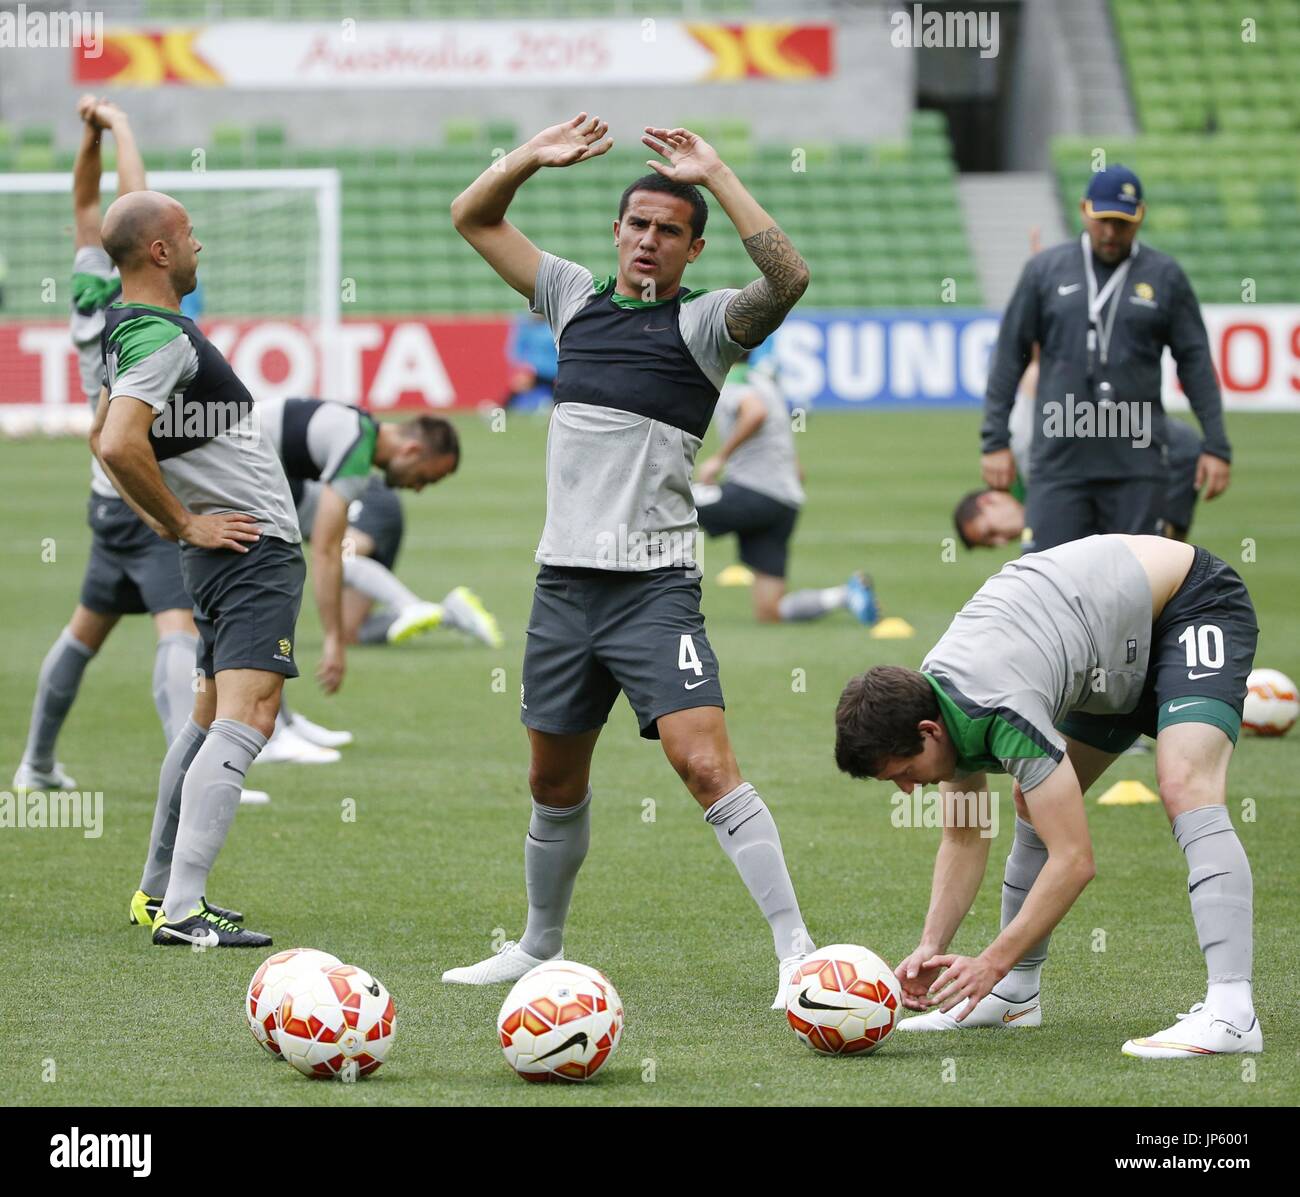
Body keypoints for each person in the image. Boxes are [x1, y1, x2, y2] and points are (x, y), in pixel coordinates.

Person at [443, 114, 816, 1005]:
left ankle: (797, 950)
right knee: (551, 778)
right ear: (617, 232)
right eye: (638, 225)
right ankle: (538, 944)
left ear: (693, 249)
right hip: (564, 587)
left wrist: (717, 170)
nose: (650, 241)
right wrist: (531, 156)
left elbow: (789, 276)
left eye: (669, 231)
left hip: (654, 591)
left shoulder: (705, 327)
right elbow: (474, 217)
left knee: (703, 763)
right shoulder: (571, 298)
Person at [834, 534, 1261, 1058]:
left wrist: (991, 959)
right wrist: (932, 946)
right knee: (1028, 799)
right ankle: (1015, 996)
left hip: (1187, 602)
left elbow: (1075, 860)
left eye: (904, 772)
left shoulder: (996, 706)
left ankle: (1232, 1012)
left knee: (1183, 783)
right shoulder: (937, 702)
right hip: (1105, 655)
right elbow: (965, 837)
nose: (906, 788)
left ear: (929, 731)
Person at [12, 96, 268, 836]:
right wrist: (119, 126)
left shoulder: (90, 291)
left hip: (104, 495)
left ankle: (35, 762)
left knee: (85, 629)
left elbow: (89, 199)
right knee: (177, 629)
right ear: (152, 251)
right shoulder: (140, 307)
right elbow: (129, 204)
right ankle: (190, 768)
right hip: (140, 489)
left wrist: (88, 134)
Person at [94, 189, 304, 948]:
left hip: (226, 555)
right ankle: (184, 908)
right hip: (249, 552)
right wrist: (181, 520)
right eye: (187, 236)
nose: (197, 248)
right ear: (158, 251)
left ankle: (159, 893)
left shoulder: (125, 332)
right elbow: (118, 443)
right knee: (249, 718)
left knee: (210, 715)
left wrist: (167, 520)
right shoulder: (163, 338)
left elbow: (101, 435)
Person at [980, 166, 1231, 551]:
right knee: (1048, 588)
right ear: (1083, 210)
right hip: (1059, 464)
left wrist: (1215, 444)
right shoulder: (1045, 271)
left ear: (1141, 215)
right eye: (1102, 221)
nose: (1111, 233)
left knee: (1133, 594)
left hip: (1137, 466)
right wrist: (995, 440)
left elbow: (1195, 362)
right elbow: (1009, 357)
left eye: (1121, 222)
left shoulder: (1165, 276)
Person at [694, 351, 877, 624]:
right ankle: (844, 595)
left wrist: (719, 459)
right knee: (770, 611)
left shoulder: (734, 381)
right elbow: (791, 457)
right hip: (784, 502)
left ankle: (660, 598)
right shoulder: (764, 380)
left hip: (753, 493)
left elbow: (755, 413)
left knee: (673, 503)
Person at [955, 412, 1205, 549]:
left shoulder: (1023, 453)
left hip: (1163, 450)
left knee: (1156, 559)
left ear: (989, 500)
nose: (1000, 541)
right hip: (1149, 456)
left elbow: (1034, 375)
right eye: (991, 543)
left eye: (990, 532)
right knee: (1150, 557)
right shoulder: (1046, 513)